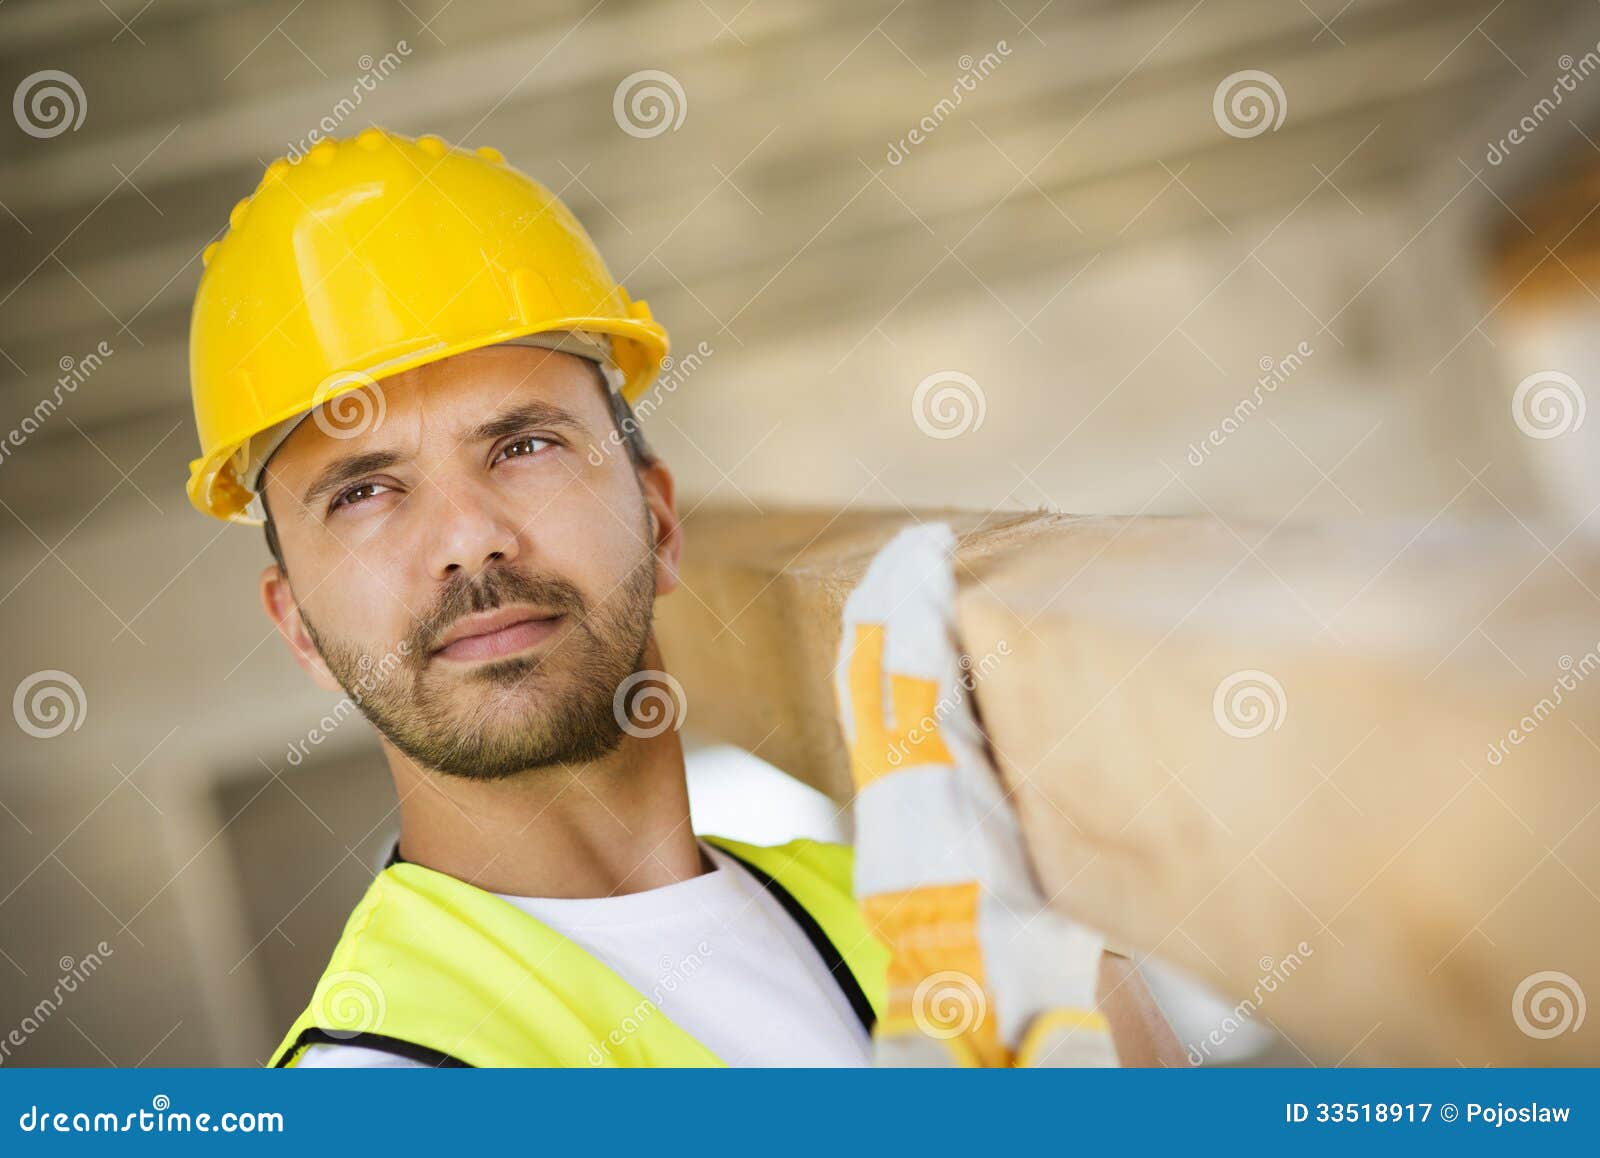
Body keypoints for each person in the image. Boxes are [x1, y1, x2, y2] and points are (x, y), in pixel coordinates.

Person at [185, 128, 1178, 1067]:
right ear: (298, 629)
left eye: (523, 445)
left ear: (658, 523)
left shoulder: (910, 910)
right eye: (363, 493)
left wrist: (1082, 948)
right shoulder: (372, 1075)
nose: (467, 537)